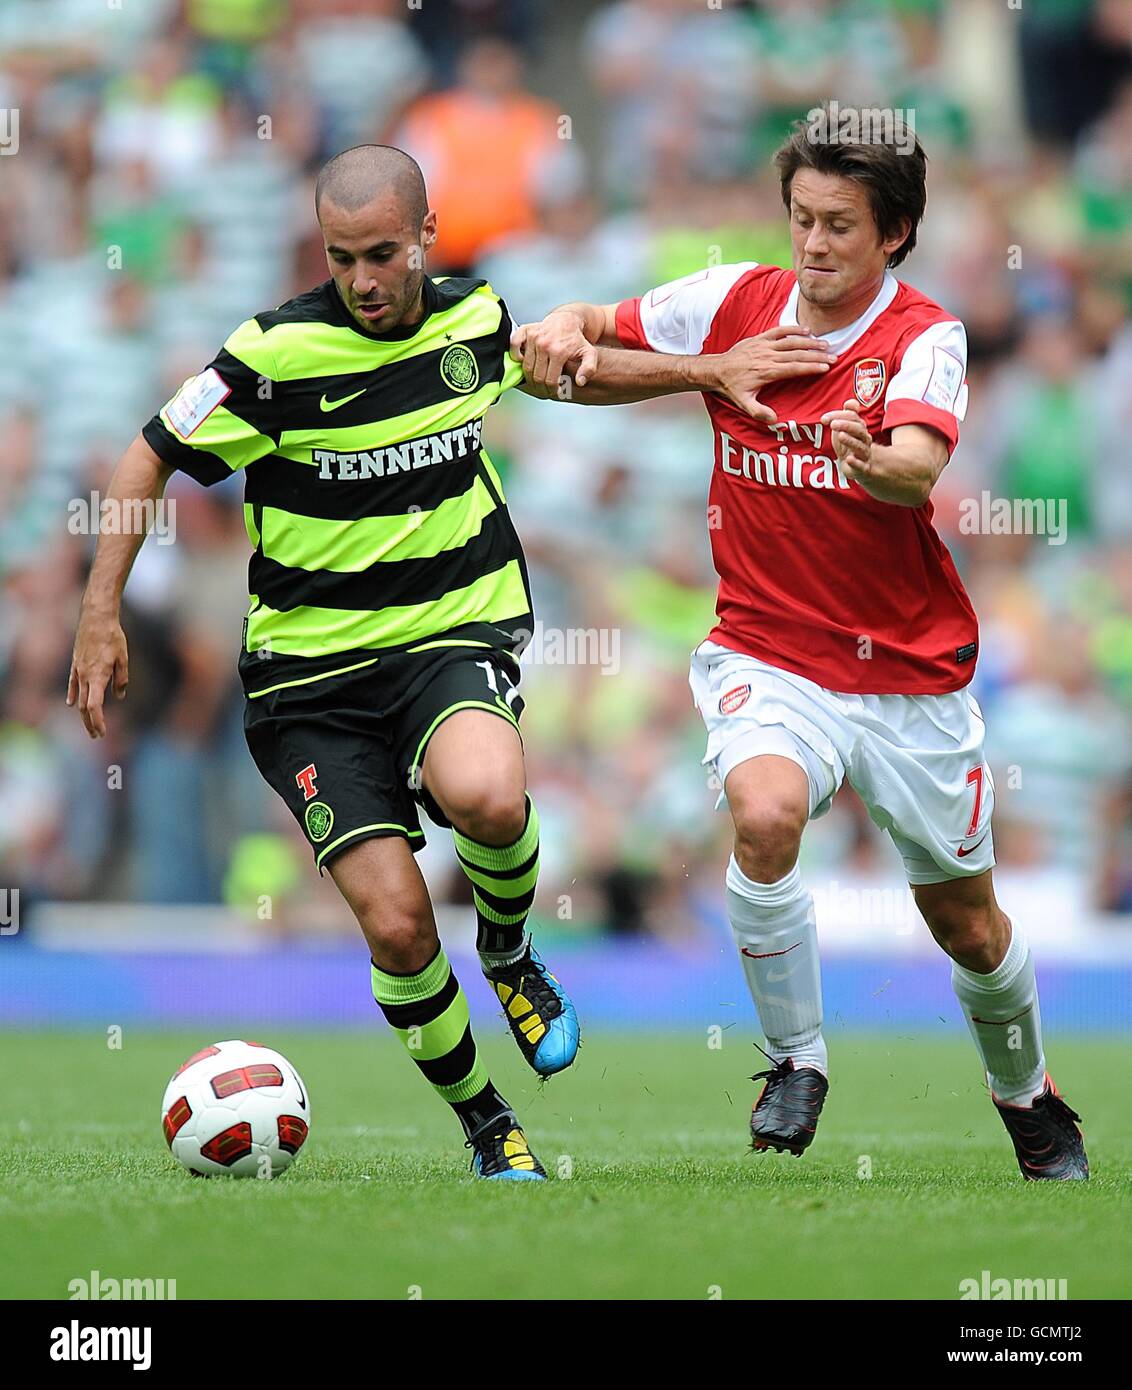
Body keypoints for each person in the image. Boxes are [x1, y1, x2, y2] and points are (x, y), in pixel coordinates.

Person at [513, 105, 1089, 1181]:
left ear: (895, 234)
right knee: (764, 812)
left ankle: (1028, 1098)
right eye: (801, 218)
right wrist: (573, 326)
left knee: (968, 927)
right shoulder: (732, 301)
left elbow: (915, 468)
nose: (813, 245)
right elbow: (584, 335)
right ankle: (795, 1060)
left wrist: (867, 457)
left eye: (838, 226)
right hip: (767, 650)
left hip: (907, 677)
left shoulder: (924, 336)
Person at [68, 144, 579, 1183]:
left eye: (383, 254)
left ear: (426, 239)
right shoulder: (270, 356)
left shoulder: (473, 321)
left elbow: (573, 377)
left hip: (447, 634)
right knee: (395, 923)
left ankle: (511, 952)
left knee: (484, 794)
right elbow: (147, 454)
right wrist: (98, 610)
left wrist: (706, 373)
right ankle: (487, 1122)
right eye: (343, 258)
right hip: (310, 684)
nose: (363, 280)